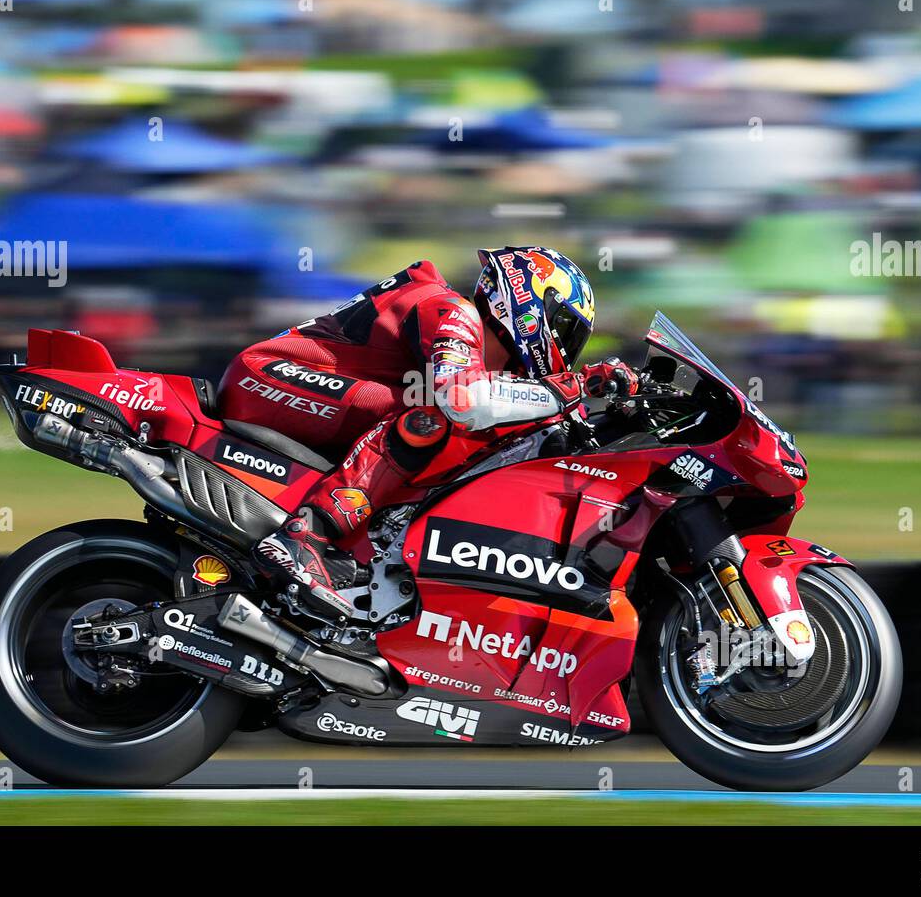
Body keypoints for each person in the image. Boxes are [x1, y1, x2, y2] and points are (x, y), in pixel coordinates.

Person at [218, 247, 638, 624]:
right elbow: (462, 397)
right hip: (269, 375)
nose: (565, 348)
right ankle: (304, 536)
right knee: (432, 414)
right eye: (565, 328)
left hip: (312, 392)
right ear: (531, 301)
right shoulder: (452, 309)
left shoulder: (481, 352)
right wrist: (575, 386)